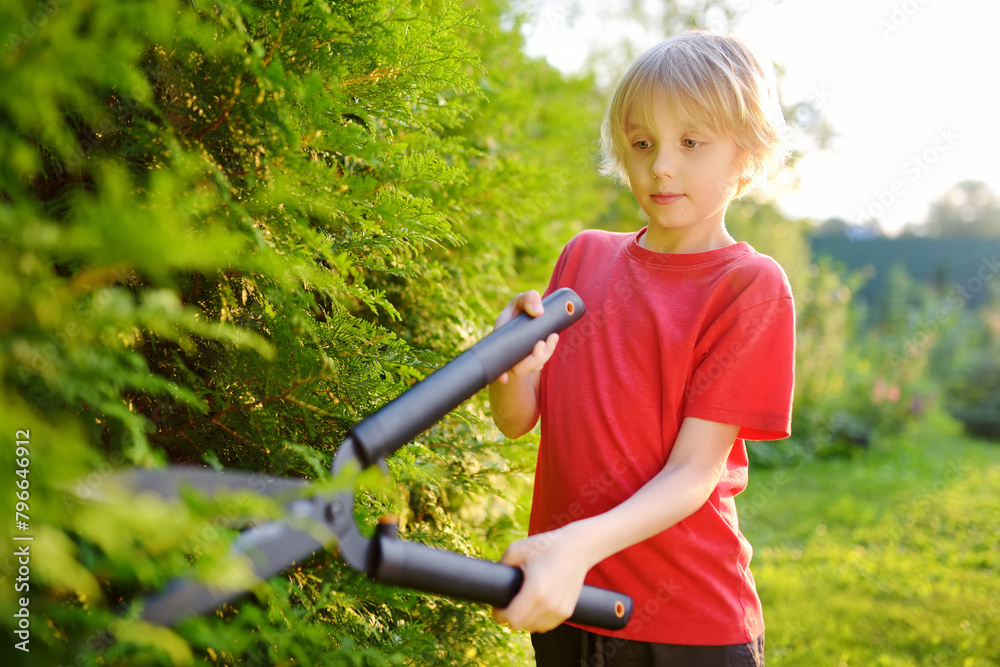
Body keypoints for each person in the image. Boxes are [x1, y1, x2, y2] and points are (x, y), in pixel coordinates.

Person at [487, 30, 795, 666]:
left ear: (746, 154)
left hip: (687, 621)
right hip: (570, 599)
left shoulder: (748, 287)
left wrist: (572, 545)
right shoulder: (584, 257)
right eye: (642, 142)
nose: (661, 166)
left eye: (691, 142)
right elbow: (518, 420)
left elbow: (692, 472)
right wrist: (510, 366)